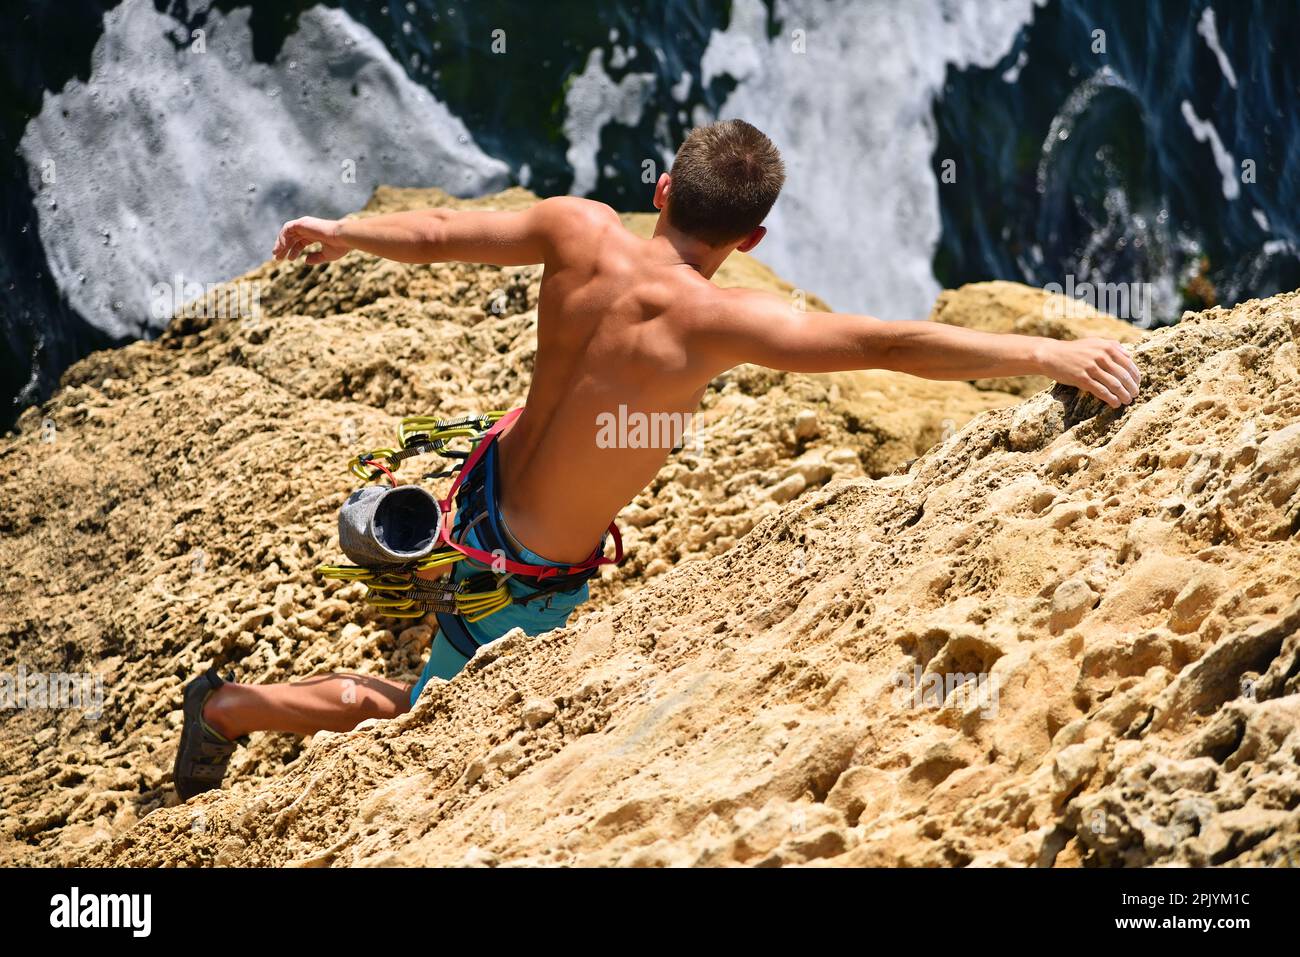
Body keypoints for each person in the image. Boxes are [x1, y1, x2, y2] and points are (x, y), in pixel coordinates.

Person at [173, 119, 1141, 798]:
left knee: (452, 609)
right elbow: (884, 344)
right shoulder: (717, 319)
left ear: (662, 189)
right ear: (753, 236)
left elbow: (434, 235)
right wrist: (1047, 353)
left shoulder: (576, 227)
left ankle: (391, 586)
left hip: (483, 482)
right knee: (412, 713)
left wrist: (339, 230)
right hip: (525, 576)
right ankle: (225, 709)